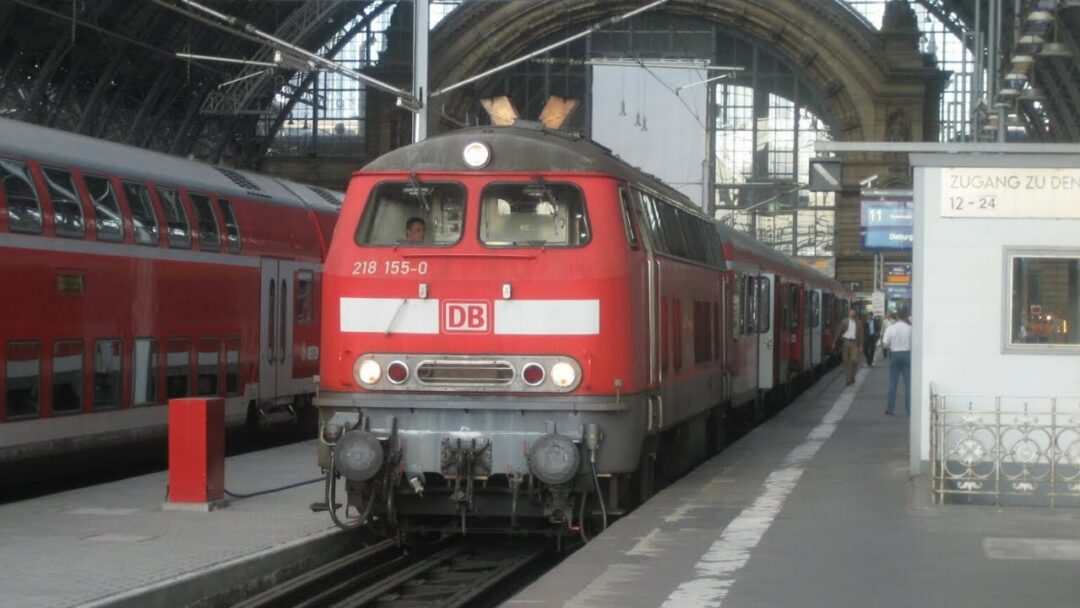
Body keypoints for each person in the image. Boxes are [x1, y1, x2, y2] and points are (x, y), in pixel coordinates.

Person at [881, 309, 913, 416]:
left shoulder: (891, 328)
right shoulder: (910, 329)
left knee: (892, 383)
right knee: (908, 384)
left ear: (897, 316)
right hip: (906, 355)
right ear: (906, 317)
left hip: (894, 355)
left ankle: (890, 409)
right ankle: (909, 409)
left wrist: (893, 346)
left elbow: (885, 345)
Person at [837, 307, 863, 386]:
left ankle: (852, 376)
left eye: (853, 312)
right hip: (845, 341)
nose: (851, 314)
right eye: (850, 312)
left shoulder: (859, 322)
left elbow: (861, 334)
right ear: (848, 313)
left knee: (855, 360)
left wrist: (861, 345)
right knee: (846, 361)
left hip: (854, 342)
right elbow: (838, 331)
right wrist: (835, 343)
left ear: (855, 313)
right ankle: (848, 379)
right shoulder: (844, 321)